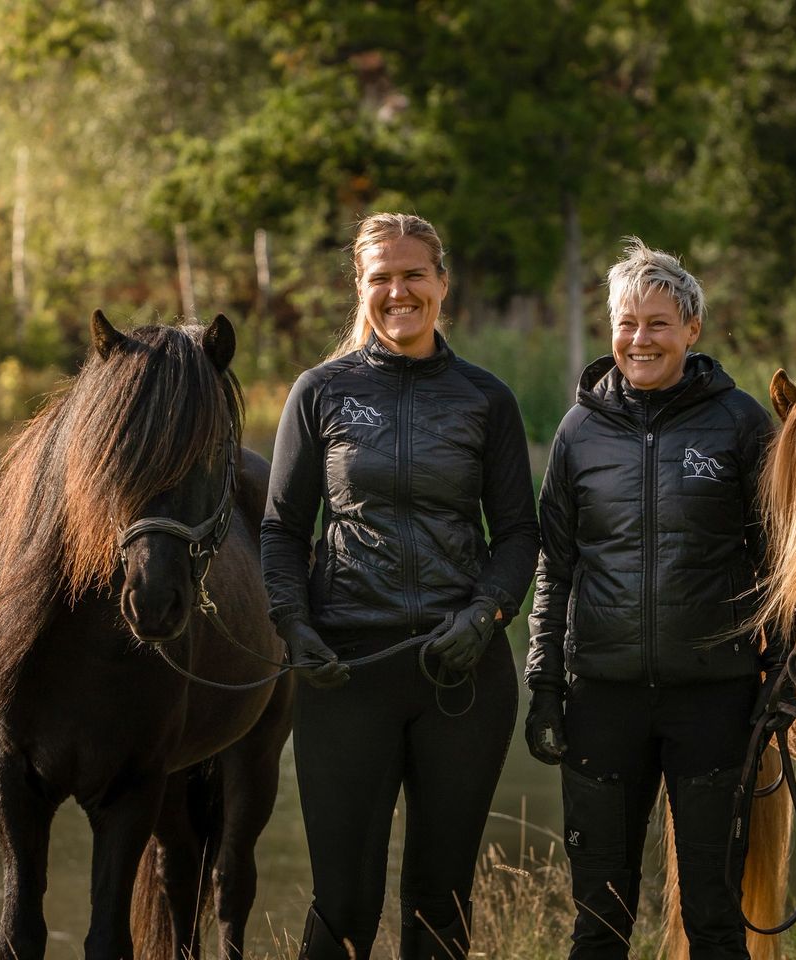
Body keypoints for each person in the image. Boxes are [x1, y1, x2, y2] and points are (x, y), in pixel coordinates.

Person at [261, 213, 540, 960]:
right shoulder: (319, 392)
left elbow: (518, 534)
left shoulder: (487, 399)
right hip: (346, 671)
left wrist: (485, 615)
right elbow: (281, 531)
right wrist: (293, 625)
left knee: (439, 896)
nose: (398, 290)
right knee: (343, 900)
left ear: (442, 283)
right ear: (361, 287)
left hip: (462, 676)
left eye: (413, 273)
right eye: (380, 276)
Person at [523, 238, 784, 958]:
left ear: (691, 330)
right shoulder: (577, 432)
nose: (639, 339)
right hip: (601, 702)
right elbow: (556, 569)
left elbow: (777, 565)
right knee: (598, 922)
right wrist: (543, 682)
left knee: (712, 918)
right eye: (626, 323)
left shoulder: (740, 425)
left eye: (658, 324)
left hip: (712, 704)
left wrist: (778, 681)